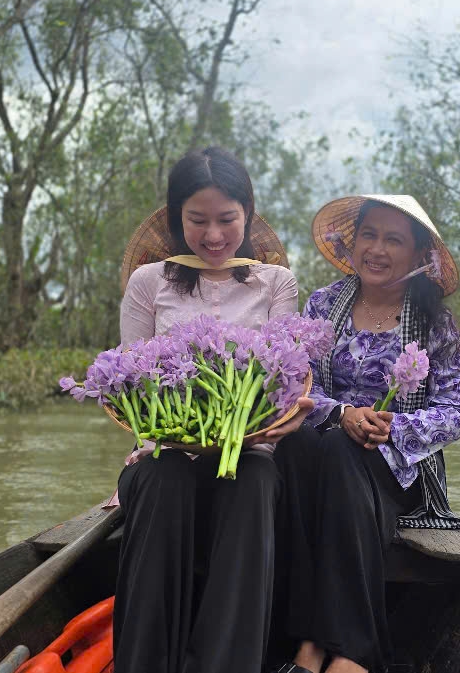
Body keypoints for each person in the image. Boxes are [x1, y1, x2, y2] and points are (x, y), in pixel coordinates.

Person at [110, 147, 312, 673]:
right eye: (197, 220)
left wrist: (284, 416)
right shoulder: (148, 282)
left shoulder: (276, 284)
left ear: (247, 213)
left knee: (255, 481)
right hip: (164, 448)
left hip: (247, 450)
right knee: (163, 476)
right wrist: (155, 433)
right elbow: (128, 378)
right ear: (178, 218)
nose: (214, 235)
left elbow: (283, 381)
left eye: (227, 219)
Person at [274, 195, 460, 673]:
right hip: (323, 452)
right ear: (353, 241)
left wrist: (392, 426)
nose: (377, 249)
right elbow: (295, 383)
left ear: (417, 255)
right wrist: (342, 412)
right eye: (369, 235)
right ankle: (320, 645)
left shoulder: (433, 322)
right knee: (296, 446)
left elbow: (456, 410)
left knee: (341, 455)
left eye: (394, 239)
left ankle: (339, 652)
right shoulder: (322, 303)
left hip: (398, 471)